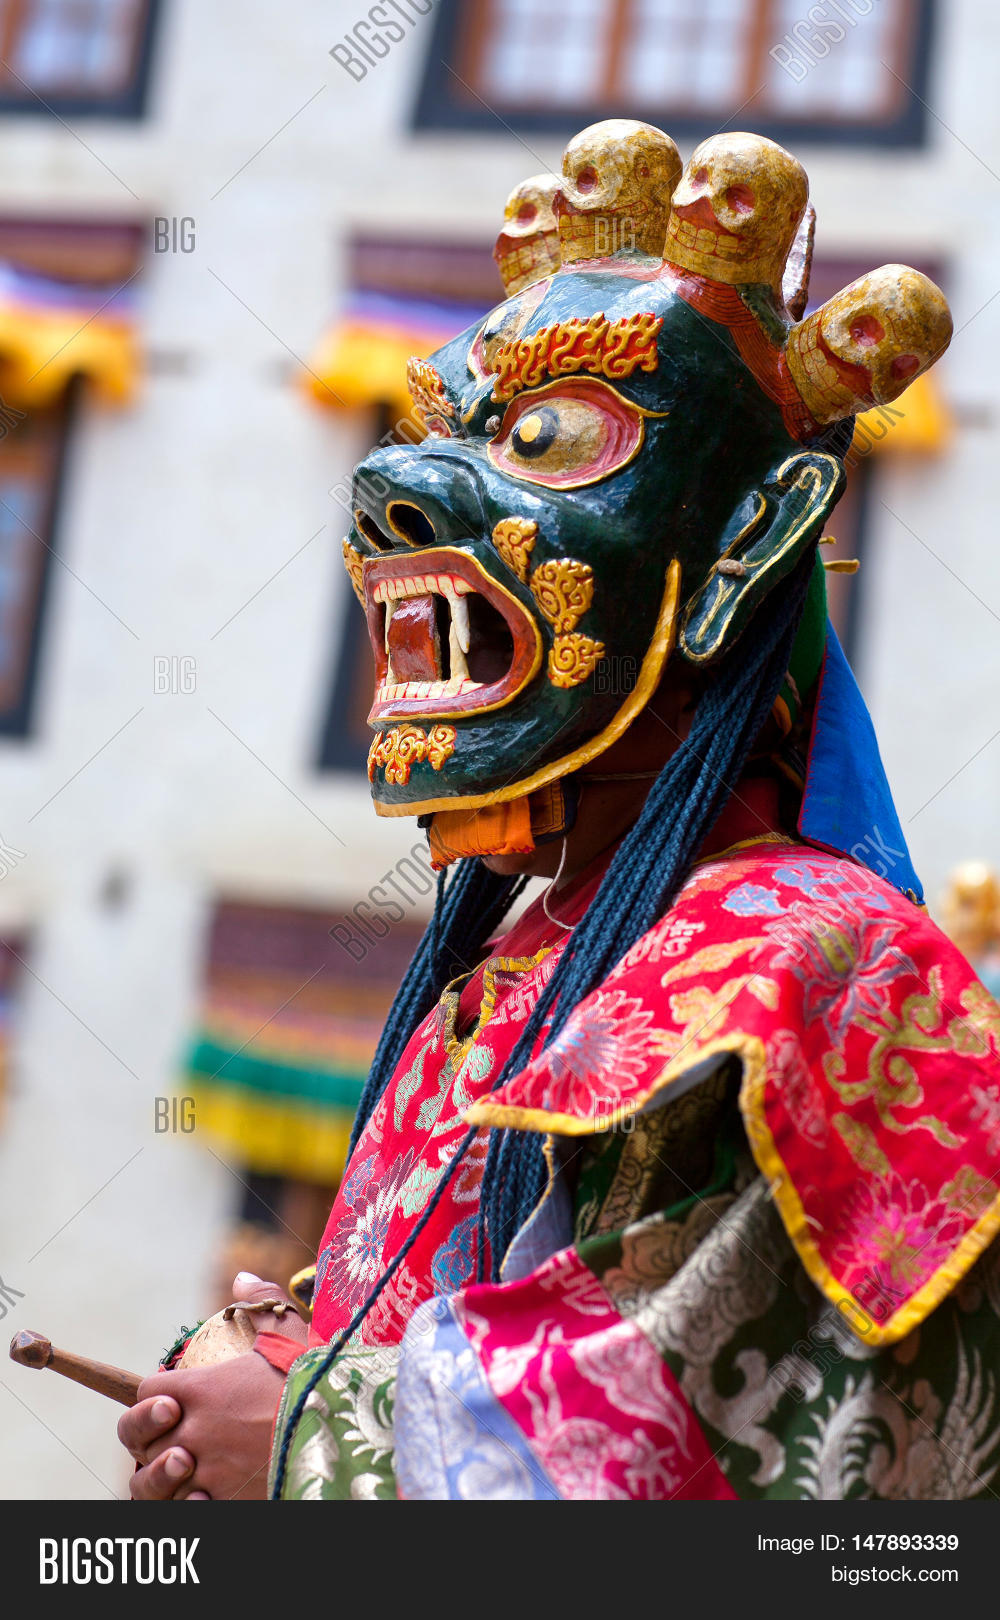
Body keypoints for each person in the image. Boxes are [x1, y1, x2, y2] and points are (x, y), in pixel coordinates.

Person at [119, 122, 1000, 1501]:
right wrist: (285, 1354)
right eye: (441, 433)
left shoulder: (818, 970)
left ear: (745, 544)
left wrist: (318, 1442)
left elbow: (773, 1473)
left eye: (548, 439)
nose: (397, 494)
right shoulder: (515, 967)